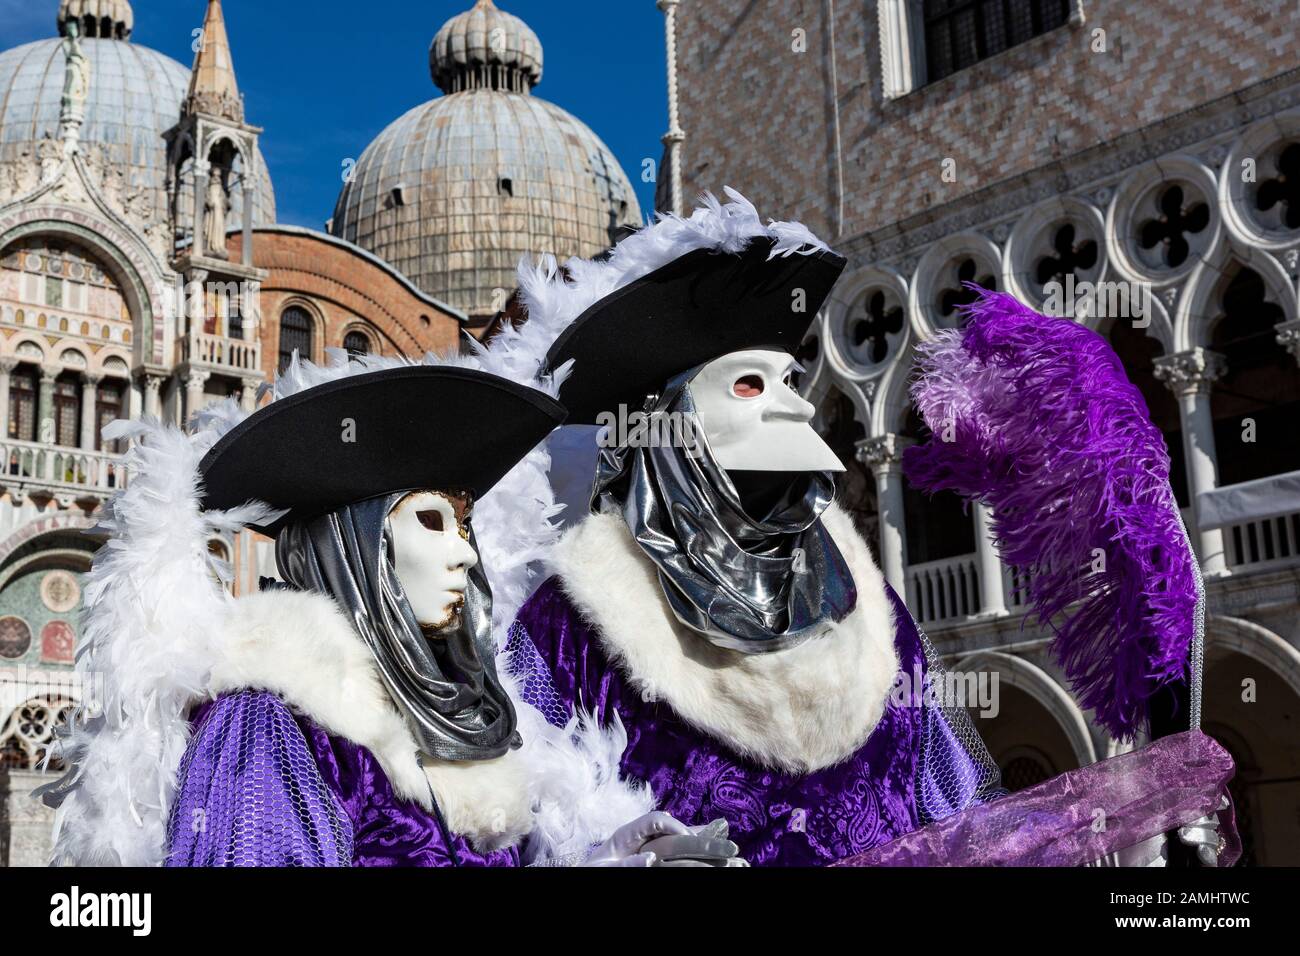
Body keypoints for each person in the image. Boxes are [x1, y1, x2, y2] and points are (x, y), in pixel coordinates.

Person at [42, 353, 741, 868]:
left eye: (465, 528)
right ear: (356, 548)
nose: (464, 557)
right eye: (433, 523)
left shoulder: (458, 726)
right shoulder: (272, 722)